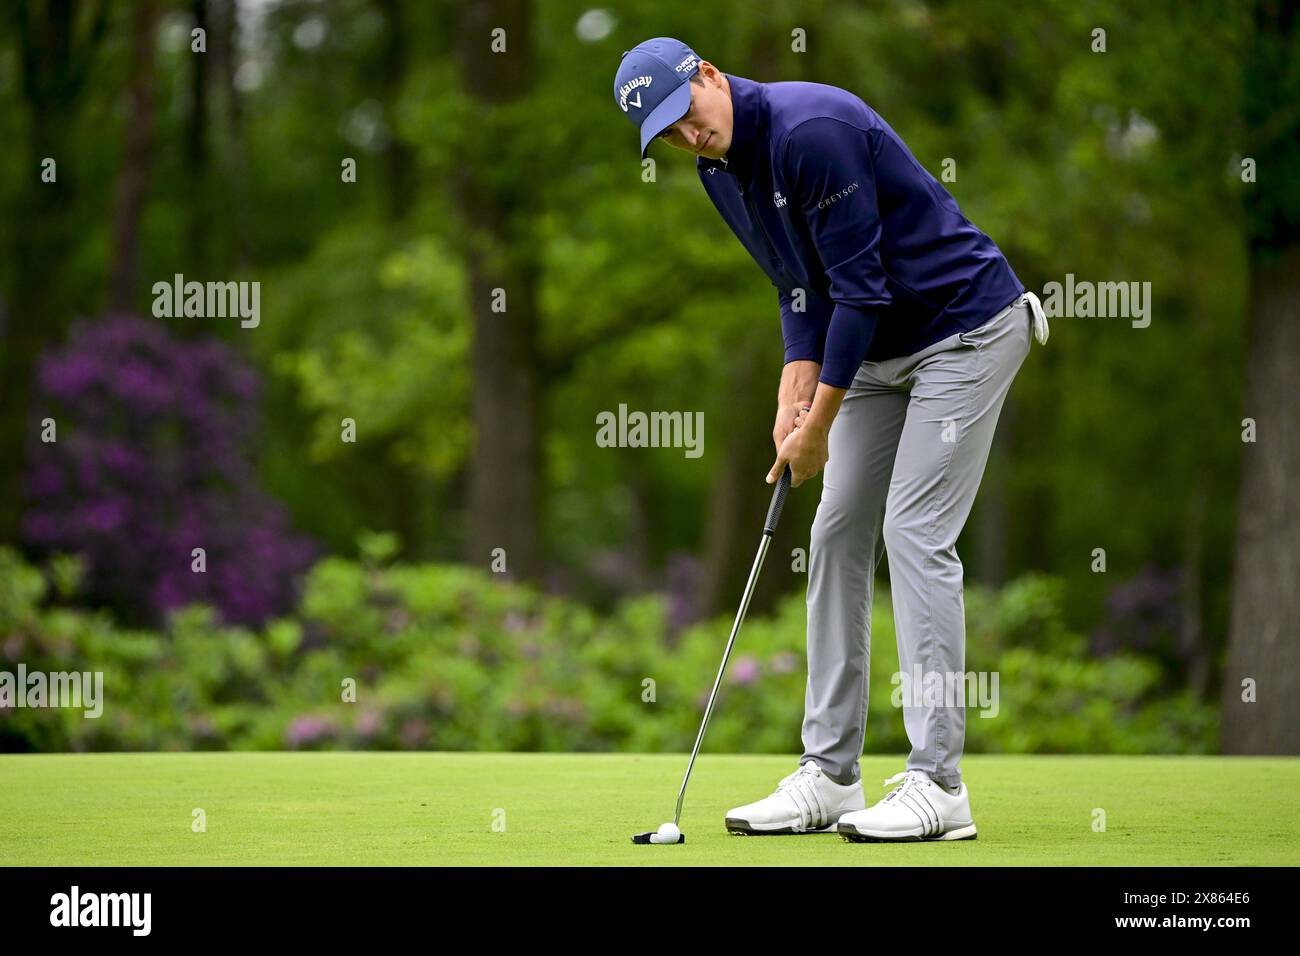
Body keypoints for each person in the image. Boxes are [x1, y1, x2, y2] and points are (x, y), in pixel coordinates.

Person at [613, 38, 1049, 842]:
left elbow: (859, 286)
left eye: (685, 114)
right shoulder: (718, 172)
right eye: (664, 135)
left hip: (966, 330)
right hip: (878, 347)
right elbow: (798, 286)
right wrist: (794, 383)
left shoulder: (809, 129)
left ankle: (937, 785)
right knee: (837, 531)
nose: (686, 137)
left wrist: (819, 425)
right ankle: (831, 774)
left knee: (913, 532)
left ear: (708, 74)